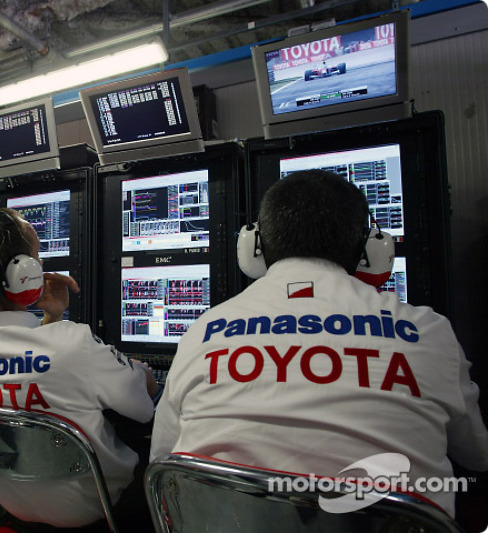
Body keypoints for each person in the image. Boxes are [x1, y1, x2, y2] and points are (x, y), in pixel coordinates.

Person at [150, 169, 488, 518]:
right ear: (371, 247)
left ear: (253, 248)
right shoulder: (428, 331)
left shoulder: (202, 330)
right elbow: (477, 454)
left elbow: (163, 459)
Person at [0, 207, 158, 530]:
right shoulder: (74, 344)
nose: (40, 267)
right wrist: (142, 371)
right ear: (21, 273)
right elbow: (143, 404)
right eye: (36, 257)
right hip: (97, 513)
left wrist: (51, 321)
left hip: (14, 508)